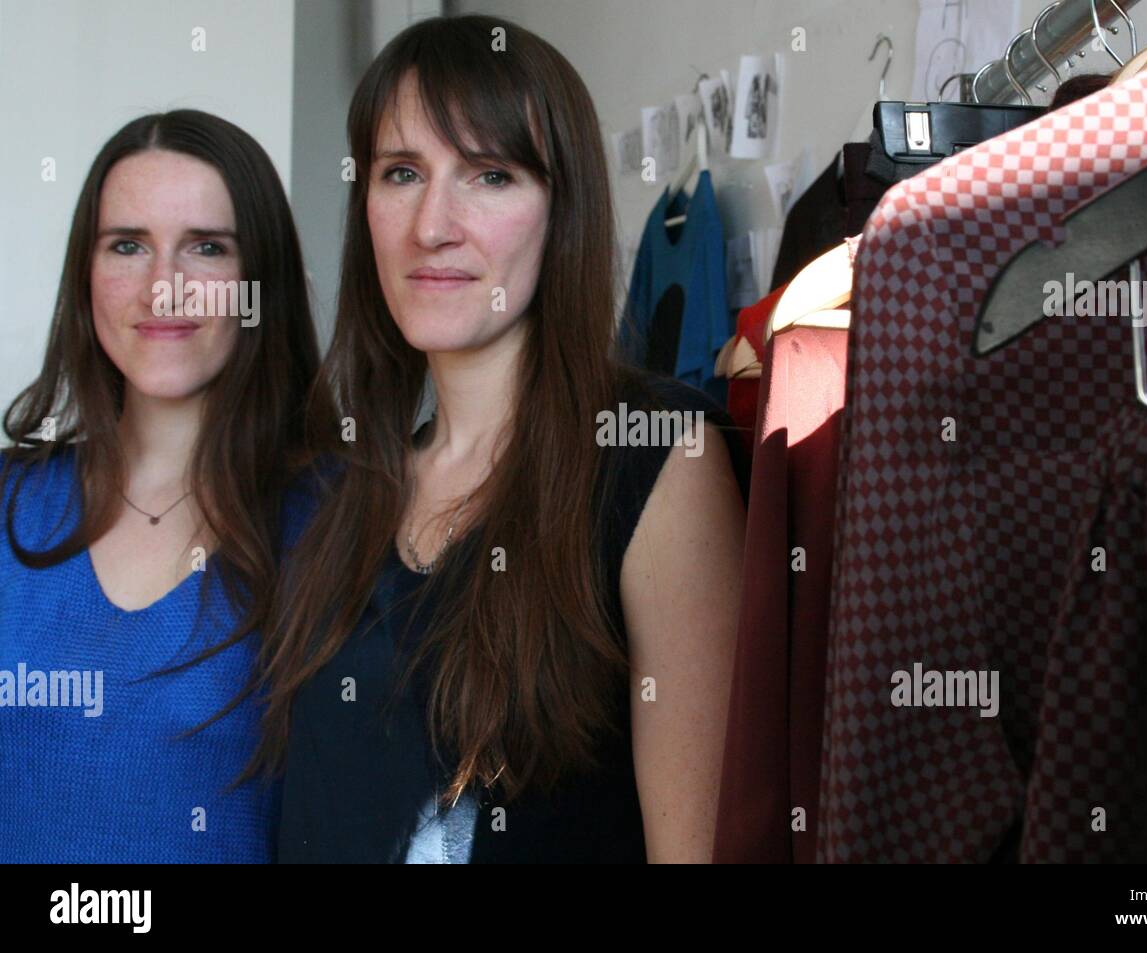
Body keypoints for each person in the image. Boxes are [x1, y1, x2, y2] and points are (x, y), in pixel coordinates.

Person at [260, 14, 748, 863]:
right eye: (402, 172)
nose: (431, 224)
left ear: (563, 212)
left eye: (490, 175)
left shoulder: (657, 459)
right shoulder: (346, 491)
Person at [0, 110, 322, 862]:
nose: (164, 288)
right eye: (127, 246)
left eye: (206, 248)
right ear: (87, 276)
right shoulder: (11, 502)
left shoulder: (338, 522)